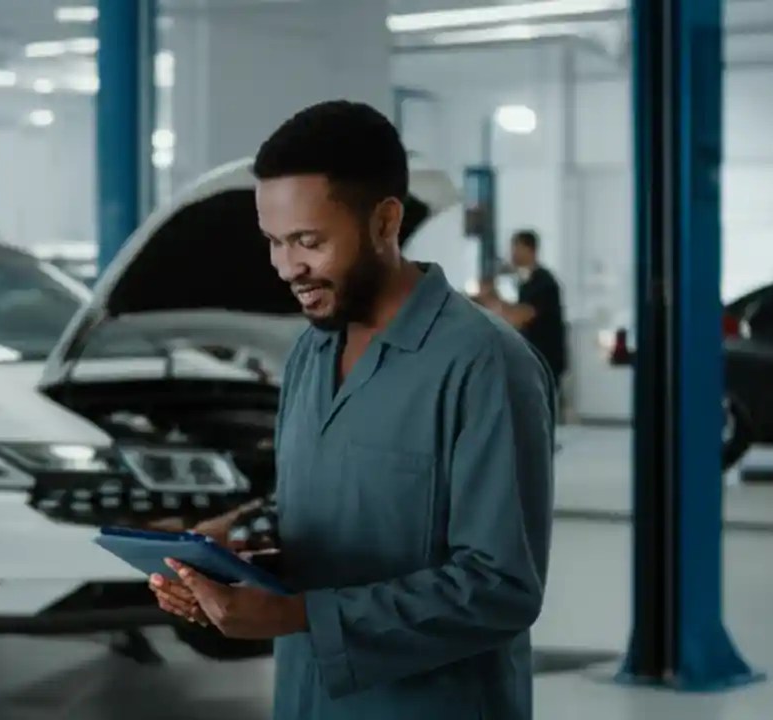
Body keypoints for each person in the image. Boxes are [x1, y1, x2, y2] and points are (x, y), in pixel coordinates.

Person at [149, 100, 556, 720]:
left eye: (309, 241)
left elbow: (501, 586)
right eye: (274, 243)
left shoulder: (486, 366)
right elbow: (326, 504)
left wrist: (297, 614)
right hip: (307, 697)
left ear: (385, 221)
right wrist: (232, 547)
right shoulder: (311, 354)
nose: (288, 268)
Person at [477, 230, 568, 393]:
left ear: (529, 249)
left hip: (545, 361)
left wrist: (493, 299)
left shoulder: (543, 282)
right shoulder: (526, 283)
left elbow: (520, 317)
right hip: (533, 360)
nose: (512, 253)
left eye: (516, 247)